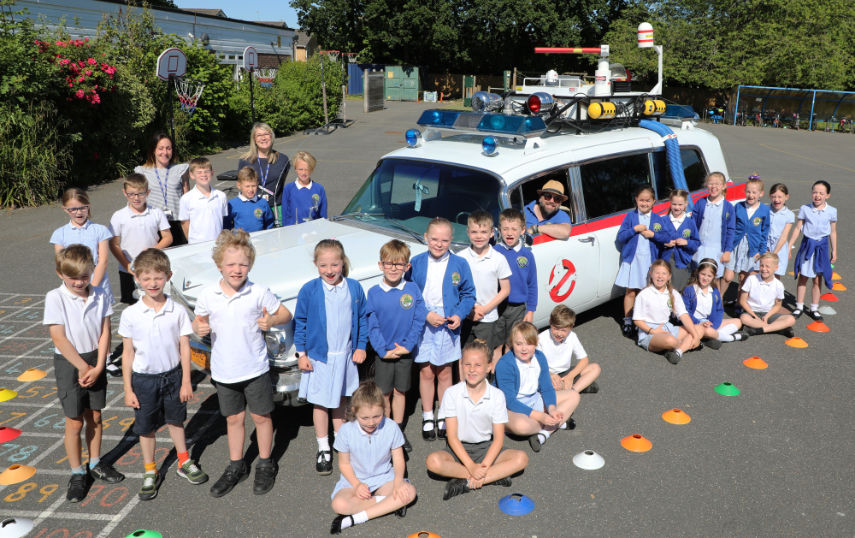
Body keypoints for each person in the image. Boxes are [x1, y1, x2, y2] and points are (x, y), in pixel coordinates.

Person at [193, 230, 292, 497]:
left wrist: (271, 320)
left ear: (250, 265)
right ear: (219, 265)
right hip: (225, 371)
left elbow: (285, 313)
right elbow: (198, 320)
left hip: (255, 369)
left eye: (243, 265)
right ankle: (237, 465)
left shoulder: (258, 292)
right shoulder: (209, 294)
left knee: (261, 417)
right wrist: (198, 326)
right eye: (230, 264)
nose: (237, 270)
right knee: (234, 419)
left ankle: (265, 462)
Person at [119, 248, 208, 500]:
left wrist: (187, 381)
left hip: (173, 376)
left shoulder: (177, 310)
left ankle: (183, 461)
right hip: (143, 380)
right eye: (146, 278)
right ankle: (150, 470)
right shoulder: (131, 314)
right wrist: (128, 388)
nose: (152, 283)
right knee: (146, 427)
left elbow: (184, 346)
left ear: (168, 276)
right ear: (137, 278)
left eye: (158, 277)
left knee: (176, 421)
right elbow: (127, 353)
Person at [43, 245, 125, 503]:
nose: (79, 282)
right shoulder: (55, 297)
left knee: (95, 416)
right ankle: (77, 472)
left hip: (94, 359)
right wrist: (82, 366)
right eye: (73, 278)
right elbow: (58, 337)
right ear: (61, 274)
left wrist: (99, 366)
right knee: (74, 421)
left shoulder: (100, 294)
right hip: (70, 362)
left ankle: (96, 462)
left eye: (85, 276)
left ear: (92, 272)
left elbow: (105, 332)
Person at [295, 239, 368, 475]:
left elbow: (362, 318)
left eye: (334, 265)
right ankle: (323, 447)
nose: (329, 270)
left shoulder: (354, 287)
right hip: (320, 358)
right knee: (321, 403)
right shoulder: (309, 290)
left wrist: (360, 346)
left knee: (341, 400)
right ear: (316, 264)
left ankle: (341, 441)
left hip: (345, 355)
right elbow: (301, 322)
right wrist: (301, 354)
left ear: (342, 263)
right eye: (323, 265)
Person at [425, 339, 528, 500]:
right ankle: (493, 476)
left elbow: (498, 439)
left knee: (521, 458)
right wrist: (472, 467)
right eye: (467, 364)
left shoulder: (497, 395)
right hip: (458, 449)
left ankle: (466, 482)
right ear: (461, 365)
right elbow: (452, 437)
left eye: (478, 365)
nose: (472, 369)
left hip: (486, 448)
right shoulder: (452, 393)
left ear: (489, 367)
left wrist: (483, 466)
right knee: (433, 462)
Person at [406, 218, 476, 442]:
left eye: (444, 240)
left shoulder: (460, 264)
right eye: (434, 239)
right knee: (426, 371)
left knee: (445, 372)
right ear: (426, 238)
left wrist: (459, 314)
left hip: (447, 321)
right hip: (424, 320)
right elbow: (408, 294)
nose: (439, 244)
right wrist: (425, 314)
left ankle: (444, 414)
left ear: (451, 240)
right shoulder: (416, 262)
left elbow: (469, 294)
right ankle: (428, 415)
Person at [329, 381, 416, 535]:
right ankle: (389, 505)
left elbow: (398, 459)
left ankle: (356, 518)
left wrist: (397, 483)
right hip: (354, 480)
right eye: (365, 418)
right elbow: (344, 464)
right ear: (354, 411)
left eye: (377, 416)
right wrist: (357, 485)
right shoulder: (346, 431)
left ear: (384, 409)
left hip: (384, 477)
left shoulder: (391, 427)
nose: (371, 423)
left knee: (409, 492)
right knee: (338, 504)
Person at [365, 239, 427, 453]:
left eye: (398, 264)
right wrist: (383, 350)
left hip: (404, 353)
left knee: (401, 391)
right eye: (389, 263)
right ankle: (385, 430)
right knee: (384, 394)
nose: (393, 268)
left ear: (406, 267)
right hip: (384, 354)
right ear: (380, 265)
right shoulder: (373, 292)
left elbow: (419, 318)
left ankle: (398, 430)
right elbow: (372, 324)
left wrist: (408, 346)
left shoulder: (412, 289)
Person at [494, 321, 579, 453]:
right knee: (521, 426)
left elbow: (546, 387)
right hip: (511, 407)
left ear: (535, 343)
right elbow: (509, 401)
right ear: (512, 343)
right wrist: (540, 416)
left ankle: (544, 433)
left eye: (529, 344)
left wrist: (551, 408)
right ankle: (556, 423)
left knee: (574, 395)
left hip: (534, 399)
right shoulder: (505, 364)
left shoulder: (539, 357)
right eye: (519, 344)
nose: (524, 349)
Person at [109, 173, 173, 306]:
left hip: (153, 268)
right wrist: (127, 265)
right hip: (128, 269)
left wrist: (151, 251)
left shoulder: (156, 212)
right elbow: (113, 244)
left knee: (156, 301)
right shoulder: (118, 216)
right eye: (131, 194)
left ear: (148, 192)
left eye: (140, 194)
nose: (136, 198)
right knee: (133, 304)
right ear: (124, 193)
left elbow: (168, 237)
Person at [615, 185, 670, 336]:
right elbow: (621, 237)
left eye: (647, 200)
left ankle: (642, 322)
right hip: (633, 260)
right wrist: (634, 229)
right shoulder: (630, 217)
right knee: (630, 291)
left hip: (649, 261)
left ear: (653, 201)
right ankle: (627, 320)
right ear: (636, 200)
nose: (644, 203)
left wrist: (653, 235)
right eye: (641, 200)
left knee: (645, 293)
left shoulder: (657, 219)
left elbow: (666, 238)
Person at [459, 210, 511, 355]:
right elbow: (456, 288)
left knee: (485, 356)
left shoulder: (498, 259)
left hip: (488, 317)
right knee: (463, 355)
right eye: (474, 232)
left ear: (492, 233)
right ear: (468, 232)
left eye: (483, 232)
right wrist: (469, 309)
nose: (479, 236)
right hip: (465, 315)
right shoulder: (460, 258)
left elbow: (505, 290)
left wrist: (484, 309)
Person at [51, 188, 114, 306]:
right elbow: (61, 265)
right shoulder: (59, 234)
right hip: (73, 289)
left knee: (103, 317)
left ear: (88, 206)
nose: (78, 212)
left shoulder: (100, 230)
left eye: (82, 208)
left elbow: (103, 261)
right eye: (73, 209)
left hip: (98, 286)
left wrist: (92, 288)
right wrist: (76, 287)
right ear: (65, 209)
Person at [632, 259, 700, 364]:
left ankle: (678, 350)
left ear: (669, 276)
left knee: (698, 329)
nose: (660, 276)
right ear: (651, 274)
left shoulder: (673, 293)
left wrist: (695, 335)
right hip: (649, 332)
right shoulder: (644, 294)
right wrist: (653, 331)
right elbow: (637, 320)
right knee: (669, 340)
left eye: (664, 273)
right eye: (657, 273)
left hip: (667, 328)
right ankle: (684, 346)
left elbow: (684, 315)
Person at [493, 209, 537, 360]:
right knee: (496, 344)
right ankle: (495, 371)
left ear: (522, 230)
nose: (509, 233)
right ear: (499, 230)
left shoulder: (527, 255)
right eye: (505, 229)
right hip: (497, 305)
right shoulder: (494, 252)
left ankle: (509, 370)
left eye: (514, 229)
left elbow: (532, 284)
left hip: (518, 308)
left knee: (512, 344)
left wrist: (530, 310)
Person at [792, 180, 837, 321]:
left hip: (821, 248)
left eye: (821, 193)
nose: (817, 195)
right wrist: (789, 245)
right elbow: (798, 228)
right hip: (807, 246)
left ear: (827, 195)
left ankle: (814, 308)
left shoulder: (831, 211)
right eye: (815, 192)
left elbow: (833, 232)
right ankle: (799, 306)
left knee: (817, 279)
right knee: (803, 277)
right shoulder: (805, 209)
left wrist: (834, 250)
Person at [134, 133, 190, 245]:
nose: (165, 152)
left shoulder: (180, 170)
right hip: (153, 227)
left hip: (178, 225)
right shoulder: (142, 172)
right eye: (161, 148)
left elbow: (187, 199)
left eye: (168, 148)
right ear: (153, 150)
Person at [681, 259, 746, 348]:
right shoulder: (689, 290)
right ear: (698, 272)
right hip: (694, 324)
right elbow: (685, 312)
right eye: (703, 274)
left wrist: (714, 325)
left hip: (709, 323)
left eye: (709, 276)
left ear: (714, 277)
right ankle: (731, 338)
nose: (705, 278)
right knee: (707, 330)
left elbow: (719, 311)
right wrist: (699, 322)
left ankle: (712, 336)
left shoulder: (714, 292)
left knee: (738, 322)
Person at [536, 305, 601, 394]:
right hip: (547, 373)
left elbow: (584, 360)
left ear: (571, 327)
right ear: (550, 322)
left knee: (595, 368)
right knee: (555, 385)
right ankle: (575, 387)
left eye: (563, 330)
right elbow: (536, 363)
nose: (559, 333)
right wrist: (550, 374)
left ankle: (572, 392)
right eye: (556, 329)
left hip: (566, 372)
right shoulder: (541, 339)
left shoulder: (572, 337)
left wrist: (570, 376)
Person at [691, 172, 736, 295]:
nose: (714, 187)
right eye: (711, 183)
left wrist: (727, 251)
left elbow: (731, 230)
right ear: (707, 185)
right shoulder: (700, 203)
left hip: (717, 250)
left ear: (724, 186)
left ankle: (715, 303)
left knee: (714, 279)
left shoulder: (728, 207)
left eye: (717, 184)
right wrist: (692, 244)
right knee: (697, 277)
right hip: (700, 248)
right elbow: (693, 225)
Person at [238, 122, 290, 218]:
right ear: (254, 139)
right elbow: (242, 186)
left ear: (271, 136)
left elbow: (282, 183)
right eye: (259, 135)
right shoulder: (245, 161)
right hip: (252, 207)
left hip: (276, 207)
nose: (263, 138)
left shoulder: (283, 159)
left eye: (266, 134)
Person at [739, 252, 796, 336]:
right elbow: (742, 301)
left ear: (776, 268)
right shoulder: (751, 279)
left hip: (768, 314)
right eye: (761, 265)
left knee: (791, 319)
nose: (764, 269)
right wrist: (754, 316)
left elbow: (778, 305)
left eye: (767, 266)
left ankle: (757, 330)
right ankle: (777, 329)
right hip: (751, 312)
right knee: (744, 318)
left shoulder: (778, 285)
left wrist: (767, 316)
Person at [729, 174, 770, 290]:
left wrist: (762, 251)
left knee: (743, 277)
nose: (751, 195)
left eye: (754, 192)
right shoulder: (738, 207)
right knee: (727, 276)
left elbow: (764, 232)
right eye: (748, 192)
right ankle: (719, 298)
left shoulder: (764, 210)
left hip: (752, 248)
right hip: (735, 246)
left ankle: (740, 299)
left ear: (761, 193)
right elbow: (731, 226)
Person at [179, 157, 228, 244]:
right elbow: (185, 223)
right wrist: (192, 243)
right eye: (199, 172)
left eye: (207, 171)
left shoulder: (221, 196)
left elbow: (221, 218)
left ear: (212, 173)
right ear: (192, 175)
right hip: (197, 244)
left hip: (218, 243)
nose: (204, 174)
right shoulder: (186, 198)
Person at [660, 189, 699, 291]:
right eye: (674, 204)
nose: (677, 207)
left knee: (680, 290)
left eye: (680, 204)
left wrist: (687, 242)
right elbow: (656, 240)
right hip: (665, 262)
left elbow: (696, 243)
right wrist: (665, 243)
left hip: (682, 263)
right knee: (665, 290)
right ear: (670, 203)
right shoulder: (663, 220)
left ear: (686, 204)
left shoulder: (690, 222)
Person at [281, 151, 328, 226]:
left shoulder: (319, 189)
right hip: (294, 230)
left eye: (307, 169)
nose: (304, 173)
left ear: (312, 169)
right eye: (300, 169)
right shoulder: (288, 189)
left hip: (314, 230)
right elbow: (285, 215)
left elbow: (323, 215)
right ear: (295, 169)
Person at [225, 166, 275, 232]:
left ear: (257, 184)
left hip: (260, 237)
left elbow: (269, 223)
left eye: (253, 186)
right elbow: (226, 225)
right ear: (239, 185)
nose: (251, 190)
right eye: (247, 186)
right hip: (241, 238)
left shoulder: (263, 203)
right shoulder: (232, 204)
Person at [767, 183, 795, 278]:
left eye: (780, 197)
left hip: (779, 248)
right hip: (765, 245)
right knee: (762, 272)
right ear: (770, 196)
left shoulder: (789, 215)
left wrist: (774, 253)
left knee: (775, 275)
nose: (776, 200)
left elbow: (784, 236)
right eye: (774, 196)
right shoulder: (765, 210)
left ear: (786, 197)